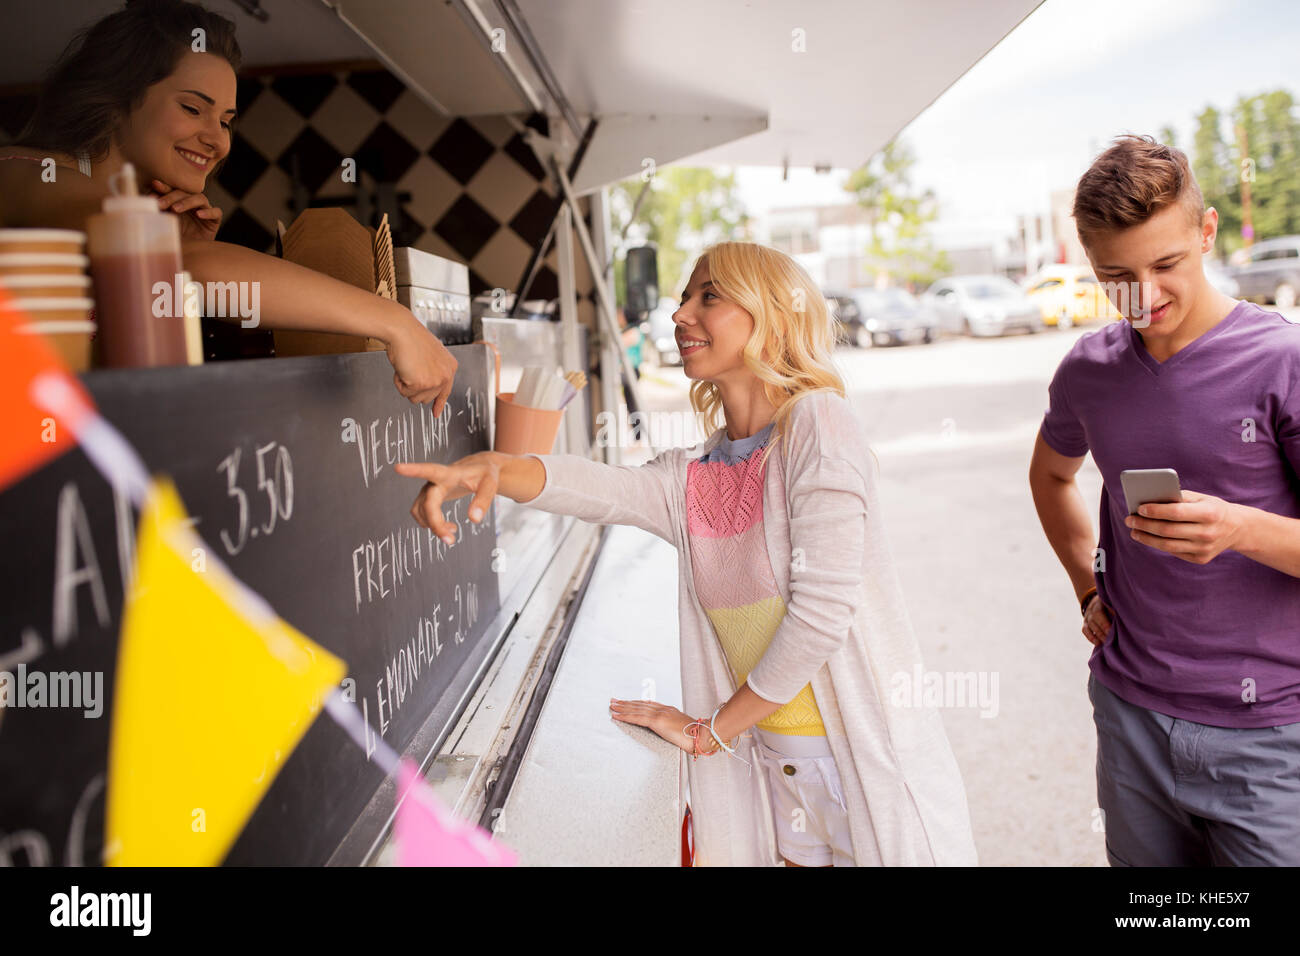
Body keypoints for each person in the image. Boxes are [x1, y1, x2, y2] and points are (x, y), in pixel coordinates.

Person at [394, 241, 979, 866]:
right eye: (682, 299)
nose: (680, 316)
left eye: (710, 296)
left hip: (862, 772)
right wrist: (496, 467)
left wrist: (712, 731)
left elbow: (821, 617)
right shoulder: (695, 472)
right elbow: (603, 488)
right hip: (776, 776)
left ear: (774, 316)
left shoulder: (818, 423)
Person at [1029, 134, 1300, 866]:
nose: (1143, 298)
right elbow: (1051, 477)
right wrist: (1086, 586)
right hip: (1131, 714)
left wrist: (1240, 528)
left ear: (1206, 232)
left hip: (1271, 729)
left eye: (1167, 265)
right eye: (1117, 277)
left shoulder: (1283, 360)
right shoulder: (1088, 371)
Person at [0, 0, 456, 411]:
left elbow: (190, 289)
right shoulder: (25, 172)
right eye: (193, 109)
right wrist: (396, 322)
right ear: (118, 98)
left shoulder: (133, 208)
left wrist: (180, 270)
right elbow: (188, 265)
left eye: (225, 121)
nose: (217, 139)